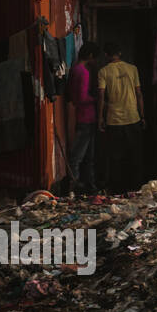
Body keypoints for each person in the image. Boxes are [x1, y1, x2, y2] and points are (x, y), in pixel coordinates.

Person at [97, 43, 145, 193]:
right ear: (120, 53)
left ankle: (117, 190)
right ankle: (136, 187)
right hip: (133, 117)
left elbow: (101, 96)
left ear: (106, 55)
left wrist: (100, 118)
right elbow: (139, 94)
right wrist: (142, 115)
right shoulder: (132, 69)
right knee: (134, 155)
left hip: (114, 120)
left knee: (115, 157)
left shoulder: (103, 72)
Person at [66, 41, 101, 196]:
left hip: (83, 117)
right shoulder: (84, 72)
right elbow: (81, 97)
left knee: (87, 156)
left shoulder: (74, 69)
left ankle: (88, 186)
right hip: (86, 117)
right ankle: (74, 187)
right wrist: (95, 99)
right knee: (80, 157)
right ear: (91, 56)